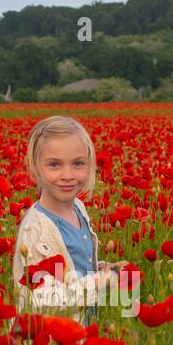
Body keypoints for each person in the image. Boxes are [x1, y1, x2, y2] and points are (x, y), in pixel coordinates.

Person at [11, 116, 124, 323]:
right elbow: (46, 300)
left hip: (81, 329)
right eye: (54, 165)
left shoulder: (78, 209)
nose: (67, 175)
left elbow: (73, 268)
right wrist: (102, 281)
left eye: (78, 164)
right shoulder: (36, 231)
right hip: (49, 341)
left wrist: (103, 268)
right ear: (35, 167)